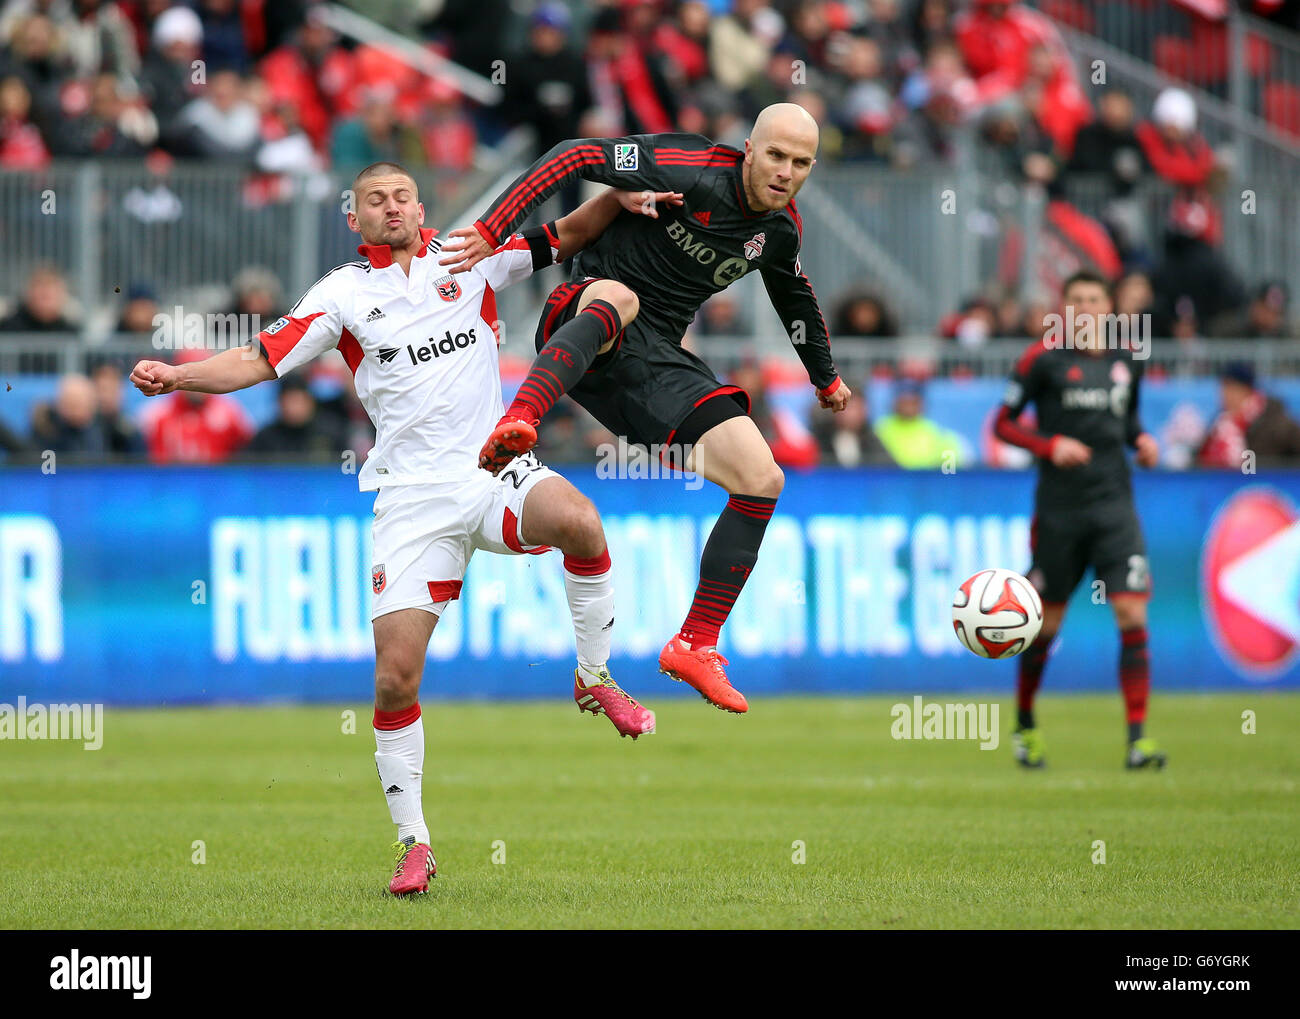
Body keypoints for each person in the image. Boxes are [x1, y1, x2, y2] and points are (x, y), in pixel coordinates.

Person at [129, 163, 668, 897]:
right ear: (355, 218)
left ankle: (595, 675)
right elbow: (261, 358)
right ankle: (415, 843)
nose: (392, 207)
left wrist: (616, 196)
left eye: (403, 196)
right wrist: (178, 375)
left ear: (421, 206)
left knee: (579, 519)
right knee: (393, 679)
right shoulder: (343, 294)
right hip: (410, 500)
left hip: (492, 469)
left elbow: (565, 235)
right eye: (375, 200)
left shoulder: (468, 256)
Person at [437, 103, 852, 715]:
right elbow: (576, 154)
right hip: (584, 316)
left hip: (653, 366)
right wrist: (495, 226)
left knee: (762, 478)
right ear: (748, 148)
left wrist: (826, 378)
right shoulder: (691, 166)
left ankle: (695, 643)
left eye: (801, 163)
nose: (786, 171)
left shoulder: (780, 231)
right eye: (776, 155)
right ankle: (519, 418)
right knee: (621, 297)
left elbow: (794, 293)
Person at [993, 270, 1166, 771]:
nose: (1086, 307)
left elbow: (1128, 421)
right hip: (1060, 513)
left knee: (1132, 614)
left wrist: (1142, 442)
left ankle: (1137, 741)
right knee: (1044, 627)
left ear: (1108, 307)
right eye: (1076, 300)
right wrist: (1050, 444)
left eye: (1094, 299)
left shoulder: (1126, 361)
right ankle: (1026, 725)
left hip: (1115, 509)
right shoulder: (1042, 360)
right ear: (1064, 307)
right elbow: (1001, 423)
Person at [1197, 361, 1300, 468]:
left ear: (1246, 389)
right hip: (1221, 482)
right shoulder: (1220, 422)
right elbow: (1200, 458)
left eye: (1231, 387)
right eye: (1223, 387)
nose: (1224, 394)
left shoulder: (1276, 422)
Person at [873, 379, 964, 468]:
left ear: (921, 403)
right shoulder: (881, 428)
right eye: (904, 401)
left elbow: (951, 461)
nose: (908, 405)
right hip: (892, 480)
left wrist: (944, 477)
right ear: (895, 402)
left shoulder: (933, 430)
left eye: (913, 401)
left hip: (928, 480)